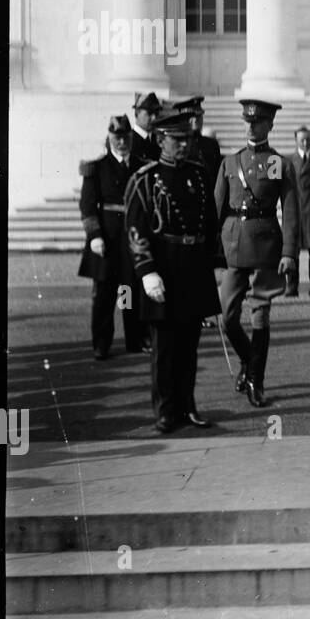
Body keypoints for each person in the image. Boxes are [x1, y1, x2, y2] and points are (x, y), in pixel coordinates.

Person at [123, 106, 222, 434]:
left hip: (193, 270)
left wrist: (212, 264)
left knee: (189, 347)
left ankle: (187, 405)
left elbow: (209, 225)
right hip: (163, 271)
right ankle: (165, 411)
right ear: (161, 139)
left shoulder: (198, 174)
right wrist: (147, 271)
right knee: (164, 348)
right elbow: (136, 230)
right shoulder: (145, 179)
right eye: (177, 140)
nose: (184, 145)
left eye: (187, 139)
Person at [212, 99, 299, 407]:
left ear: (270, 125)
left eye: (258, 122)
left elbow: (290, 211)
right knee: (227, 317)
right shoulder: (230, 162)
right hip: (234, 242)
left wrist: (289, 252)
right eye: (248, 121)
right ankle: (250, 361)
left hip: (265, 244)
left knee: (260, 315)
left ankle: (255, 380)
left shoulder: (278, 163)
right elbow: (217, 209)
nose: (251, 126)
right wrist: (212, 253)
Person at [77, 115, 148, 359]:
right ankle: (101, 343)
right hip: (106, 241)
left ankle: (133, 339)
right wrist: (94, 234)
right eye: (117, 138)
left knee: (128, 290)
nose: (122, 142)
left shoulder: (141, 166)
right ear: (109, 139)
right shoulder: (96, 168)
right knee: (104, 295)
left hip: (131, 239)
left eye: (126, 137)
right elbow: (87, 205)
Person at [285, 125, 310, 297]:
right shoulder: (287, 160)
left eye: (308, 140)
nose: (305, 143)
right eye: (302, 140)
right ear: (296, 140)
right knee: (292, 250)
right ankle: (291, 286)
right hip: (294, 211)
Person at [172, 95, 222, 182]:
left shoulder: (211, 144)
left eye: (198, 116)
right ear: (182, 120)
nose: (195, 120)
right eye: (190, 117)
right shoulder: (176, 144)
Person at [130, 91, 162, 163]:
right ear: (137, 113)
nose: (154, 118)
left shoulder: (157, 140)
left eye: (156, 113)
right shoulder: (128, 140)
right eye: (149, 113)